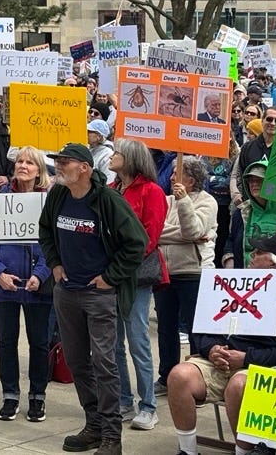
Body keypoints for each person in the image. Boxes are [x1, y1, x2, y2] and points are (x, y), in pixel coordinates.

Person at [38, 142, 147, 455]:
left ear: (84, 168)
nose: (58, 167)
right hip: (66, 293)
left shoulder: (108, 200)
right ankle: (94, 425)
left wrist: (110, 277)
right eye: (57, 162)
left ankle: (112, 437)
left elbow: (136, 243)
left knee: (104, 363)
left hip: (98, 295)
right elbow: (45, 230)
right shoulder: (58, 195)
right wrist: (55, 264)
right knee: (76, 361)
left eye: (65, 162)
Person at [168, 236, 276, 455]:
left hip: (260, 367)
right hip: (219, 362)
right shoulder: (228, 285)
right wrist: (211, 350)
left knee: (238, 385)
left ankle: (243, 452)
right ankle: (188, 451)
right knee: (178, 375)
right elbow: (201, 330)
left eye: (259, 253)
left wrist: (246, 358)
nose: (252, 256)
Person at [0, 145, 53, 422]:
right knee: (7, 342)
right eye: (19, 161)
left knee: (39, 342)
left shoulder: (48, 202)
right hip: (4, 284)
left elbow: (54, 245)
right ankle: (10, 395)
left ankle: (37, 396)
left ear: (39, 170)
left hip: (37, 285)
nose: (23, 166)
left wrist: (41, 275)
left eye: (29, 162)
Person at [109, 137, 167, 431]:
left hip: (135, 276)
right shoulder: (110, 190)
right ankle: (123, 400)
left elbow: (149, 237)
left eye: (117, 152)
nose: (111, 155)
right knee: (113, 343)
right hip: (111, 276)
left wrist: (118, 264)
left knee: (138, 340)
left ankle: (148, 405)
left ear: (130, 159)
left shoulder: (152, 191)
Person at [154, 156, 218, 396]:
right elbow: (156, 232)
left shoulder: (208, 202)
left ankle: (196, 377)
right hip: (166, 273)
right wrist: (184, 235)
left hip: (194, 273)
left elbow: (194, 229)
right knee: (166, 329)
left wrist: (183, 203)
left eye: (176, 174)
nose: (170, 179)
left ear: (190, 180)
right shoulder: (166, 200)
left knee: (195, 330)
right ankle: (166, 376)